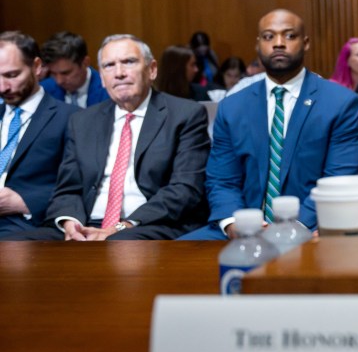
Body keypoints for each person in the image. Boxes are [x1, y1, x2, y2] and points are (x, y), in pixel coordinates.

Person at [179, 9, 358, 239]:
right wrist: (233, 222)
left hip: (312, 228)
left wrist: (293, 227)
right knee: (171, 263)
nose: (278, 43)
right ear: (258, 44)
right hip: (243, 227)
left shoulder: (340, 103)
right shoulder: (233, 107)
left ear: (305, 43)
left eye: (289, 36)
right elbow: (222, 179)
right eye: (268, 36)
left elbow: (338, 181)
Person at [17, 35, 210, 240]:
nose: (119, 73)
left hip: (149, 224)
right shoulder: (82, 121)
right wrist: (69, 222)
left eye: (129, 62)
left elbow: (185, 188)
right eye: (109, 66)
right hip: (87, 224)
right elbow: (68, 188)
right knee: (15, 244)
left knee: (118, 243)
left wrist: (120, 227)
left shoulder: (185, 115)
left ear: (152, 69)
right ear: (101, 78)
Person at [0, 32, 78, 238]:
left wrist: (25, 202)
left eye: (12, 75)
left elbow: (80, 184)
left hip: (25, 223)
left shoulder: (71, 118)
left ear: (36, 67)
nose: (2, 87)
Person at [39, 31, 109, 108]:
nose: (59, 81)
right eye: (53, 73)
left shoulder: (108, 89)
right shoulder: (43, 90)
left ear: (85, 63)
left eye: (66, 73)